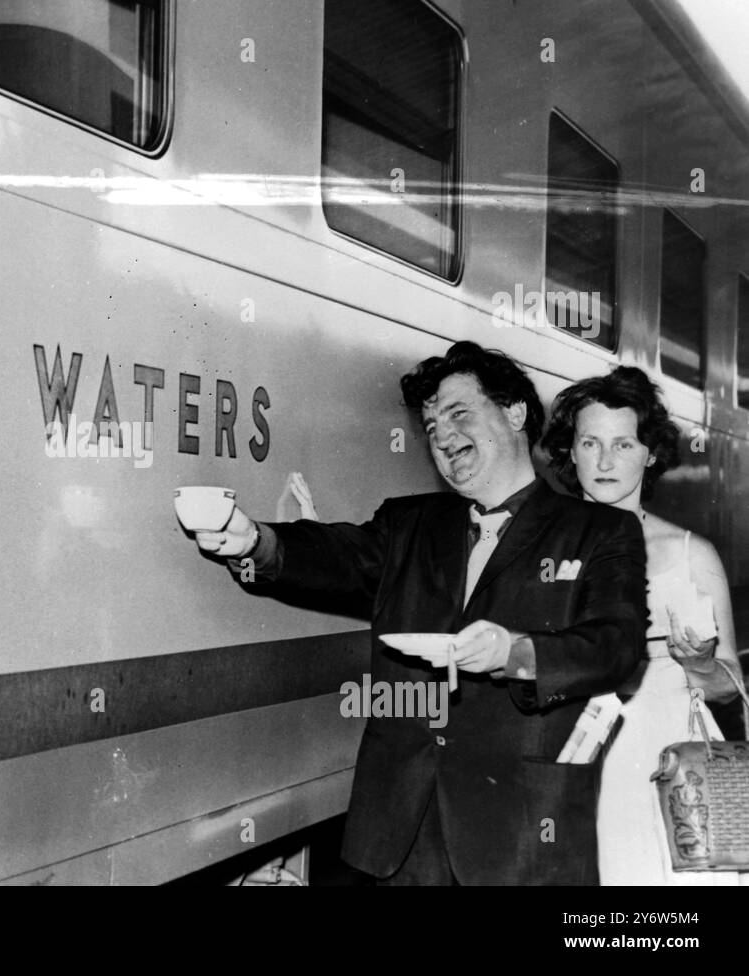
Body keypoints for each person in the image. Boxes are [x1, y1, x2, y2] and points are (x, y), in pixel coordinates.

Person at [192, 341, 646, 884]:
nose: (443, 436)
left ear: (515, 413)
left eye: (459, 415)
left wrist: (517, 653)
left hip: (520, 836)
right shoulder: (409, 522)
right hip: (398, 838)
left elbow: (617, 648)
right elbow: (337, 556)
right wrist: (254, 541)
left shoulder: (601, 531)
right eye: (431, 427)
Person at [543, 365, 747, 885]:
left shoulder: (688, 555)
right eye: (590, 443)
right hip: (569, 752)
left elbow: (732, 689)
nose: (605, 461)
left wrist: (699, 664)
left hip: (666, 758)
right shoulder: (542, 551)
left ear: (651, 452)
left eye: (624, 444)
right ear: (570, 450)